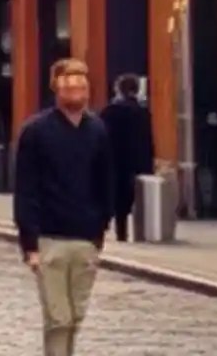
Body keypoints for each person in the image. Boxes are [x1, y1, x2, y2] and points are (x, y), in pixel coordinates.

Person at [14, 58, 113, 356]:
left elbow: (105, 181)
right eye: (68, 85)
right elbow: (26, 189)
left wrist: (100, 232)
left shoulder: (97, 130)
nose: (75, 91)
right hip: (49, 238)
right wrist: (29, 243)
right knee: (58, 318)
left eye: (81, 85)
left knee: (76, 316)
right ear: (56, 87)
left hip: (85, 238)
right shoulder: (36, 131)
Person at [99, 74, 154, 243]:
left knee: (113, 197)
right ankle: (142, 232)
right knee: (135, 198)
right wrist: (148, 162)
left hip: (114, 160)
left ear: (118, 90)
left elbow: (101, 137)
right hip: (136, 161)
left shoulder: (110, 111)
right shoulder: (142, 112)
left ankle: (118, 231)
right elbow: (148, 139)